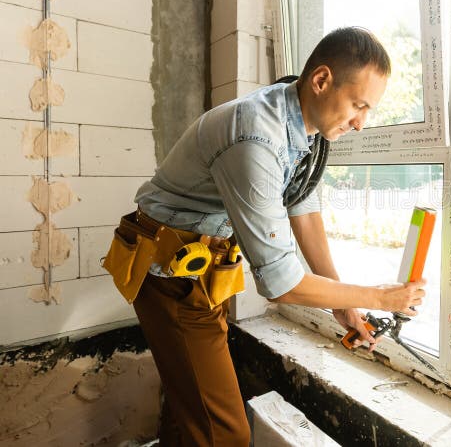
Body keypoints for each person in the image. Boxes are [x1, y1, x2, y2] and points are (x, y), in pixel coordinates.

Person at [102, 27, 427, 446]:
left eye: (369, 110)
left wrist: (345, 308)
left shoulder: (299, 127)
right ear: (322, 80)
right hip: (172, 276)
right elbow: (281, 285)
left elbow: (302, 209)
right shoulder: (256, 135)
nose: (361, 124)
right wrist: (378, 298)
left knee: (190, 413)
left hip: (200, 270)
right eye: (357, 105)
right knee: (227, 436)